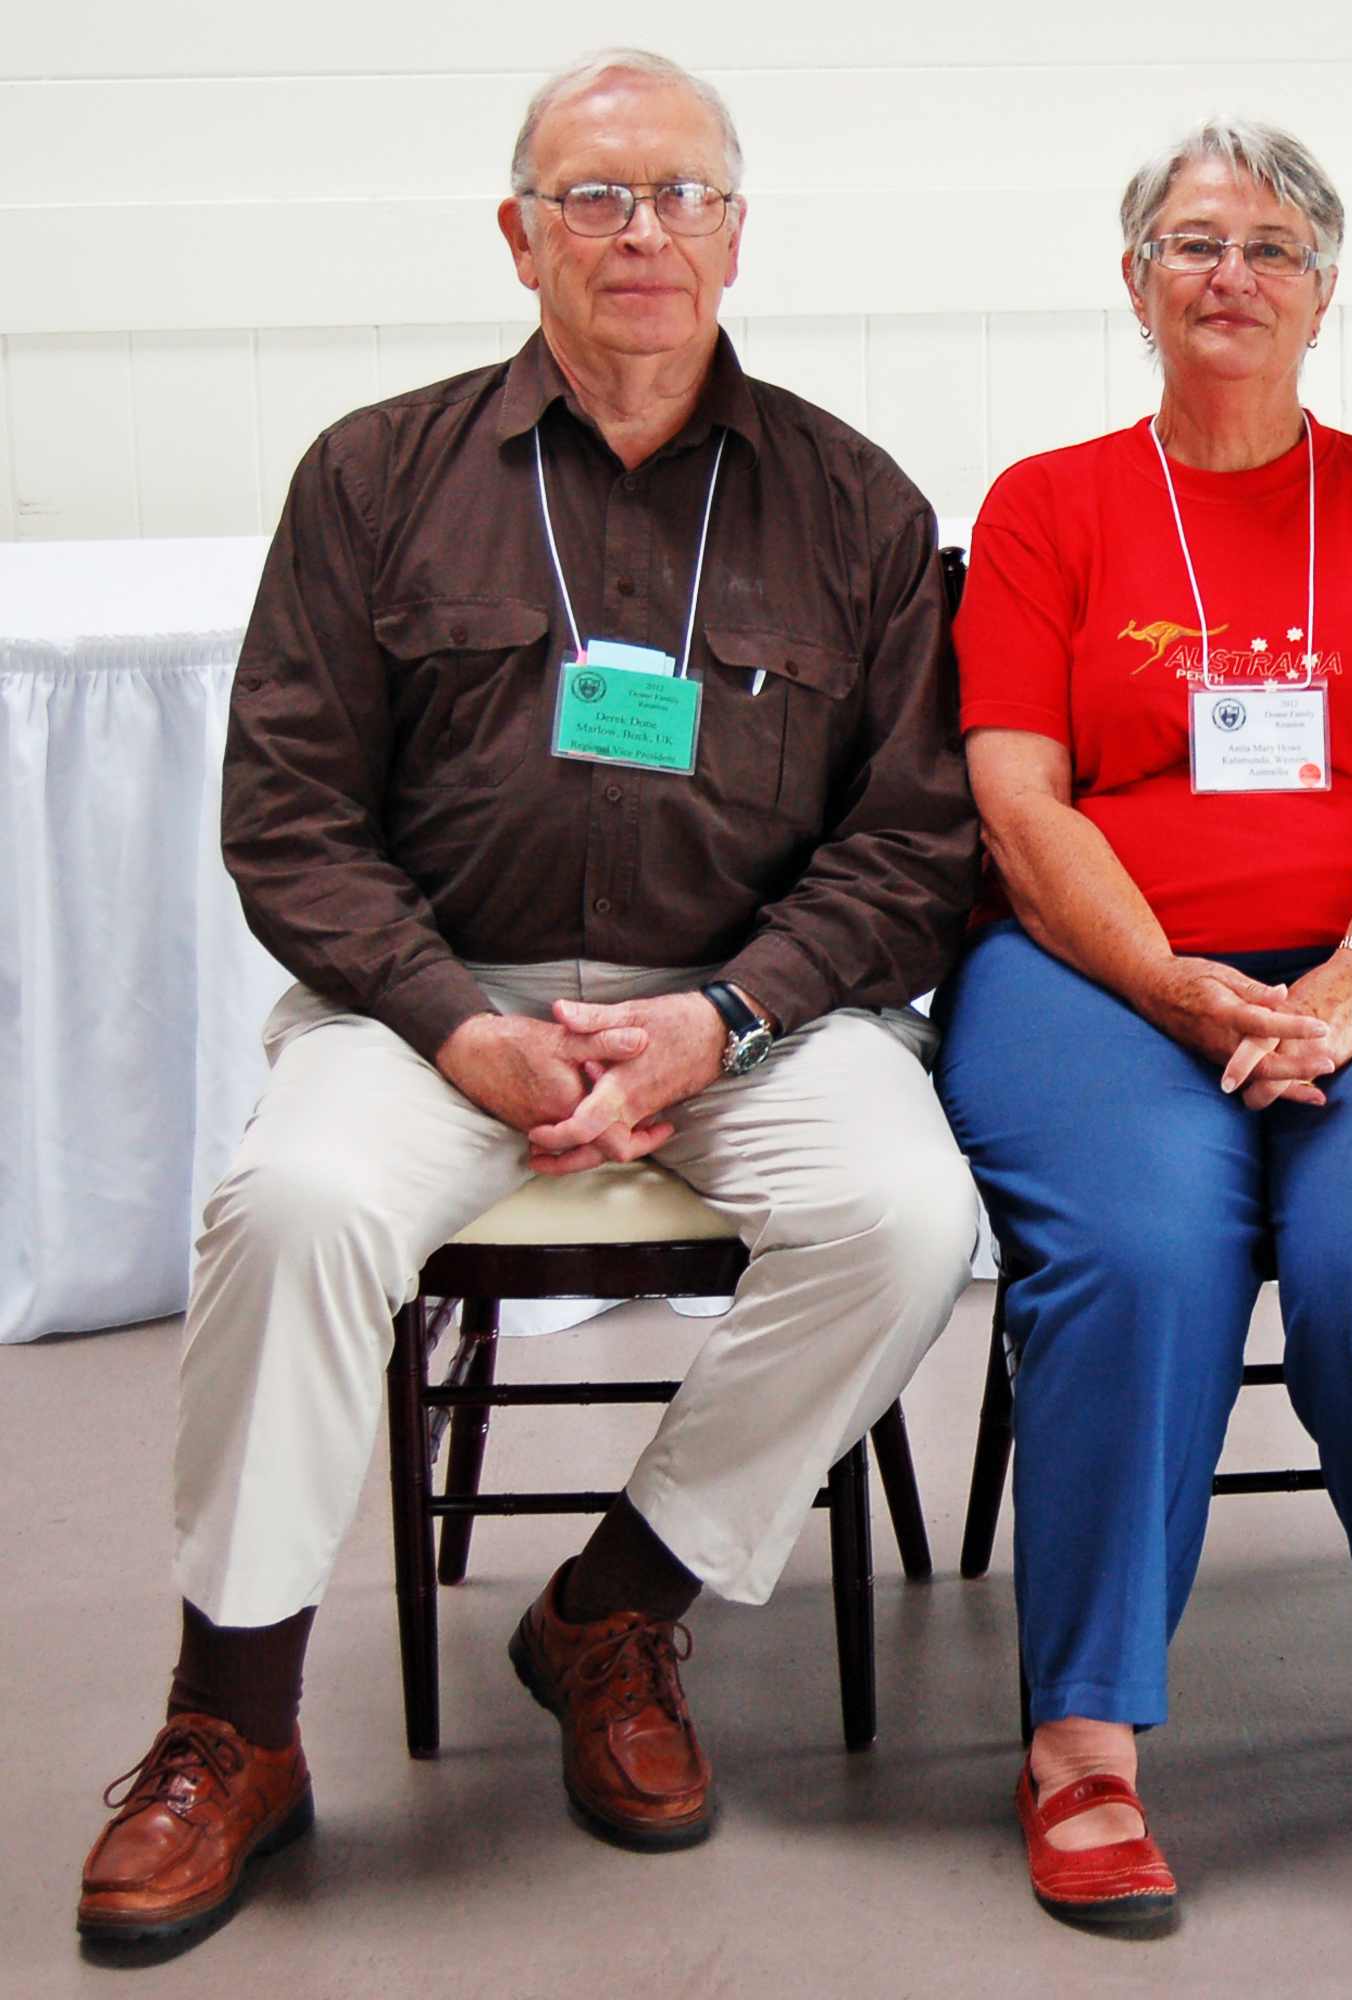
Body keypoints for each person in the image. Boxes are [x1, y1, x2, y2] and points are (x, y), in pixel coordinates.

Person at [76, 49, 981, 1943]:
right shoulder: (377, 474)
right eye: (596, 196)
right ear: (518, 236)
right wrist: (457, 1027)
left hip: (746, 1012)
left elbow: (909, 847)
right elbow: (291, 818)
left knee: (908, 1217)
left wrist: (714, 1023)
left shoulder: (854, 501)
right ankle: (230, 1727)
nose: (642, 231)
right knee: (299, 1204)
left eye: (682, 196)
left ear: (739, 234)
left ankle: (616, 1609)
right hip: (437, 998)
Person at [935, 119, 1352, 1931]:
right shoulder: (1051, 505)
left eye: (1273, 246)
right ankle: (1082, 1747)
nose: (1234, 274)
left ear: (1325, 290)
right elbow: (1018, 800)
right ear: (1135, 280)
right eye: (1194, 242)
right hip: (1097, 974)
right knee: (1136, 1253)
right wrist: (1164, 978)